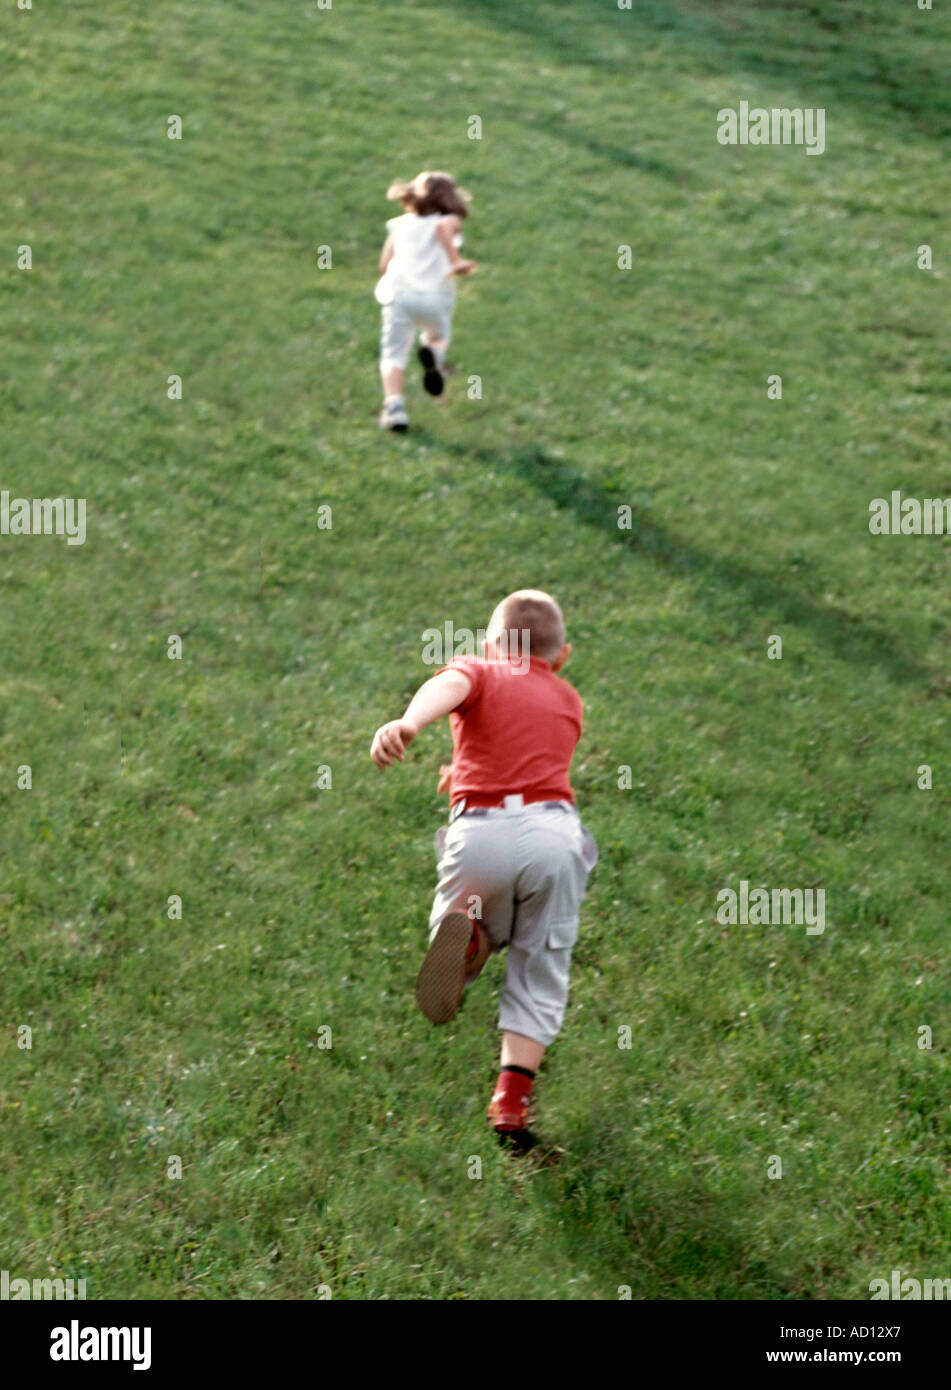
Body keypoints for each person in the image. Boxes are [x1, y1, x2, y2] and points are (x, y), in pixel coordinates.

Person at [369, 590, 598, 1150]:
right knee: (541, 960)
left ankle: (470, 938)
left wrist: (408, 722)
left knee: (472, 910)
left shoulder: (480, 670)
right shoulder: (569, 700)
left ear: (489, 646)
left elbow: (450, 687)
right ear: (561, 656)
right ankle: (511, 1100)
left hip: (480, 833)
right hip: (554, 835)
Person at [374, 170, 478, 431]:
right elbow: (442, 227)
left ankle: (394, 408)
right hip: (435, 296)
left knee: (393, 355)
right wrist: (455, 261)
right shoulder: (449, 220)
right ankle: (434, 355)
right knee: (437, 337)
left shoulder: (398, 225)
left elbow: (384, 265)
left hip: (399, 296)